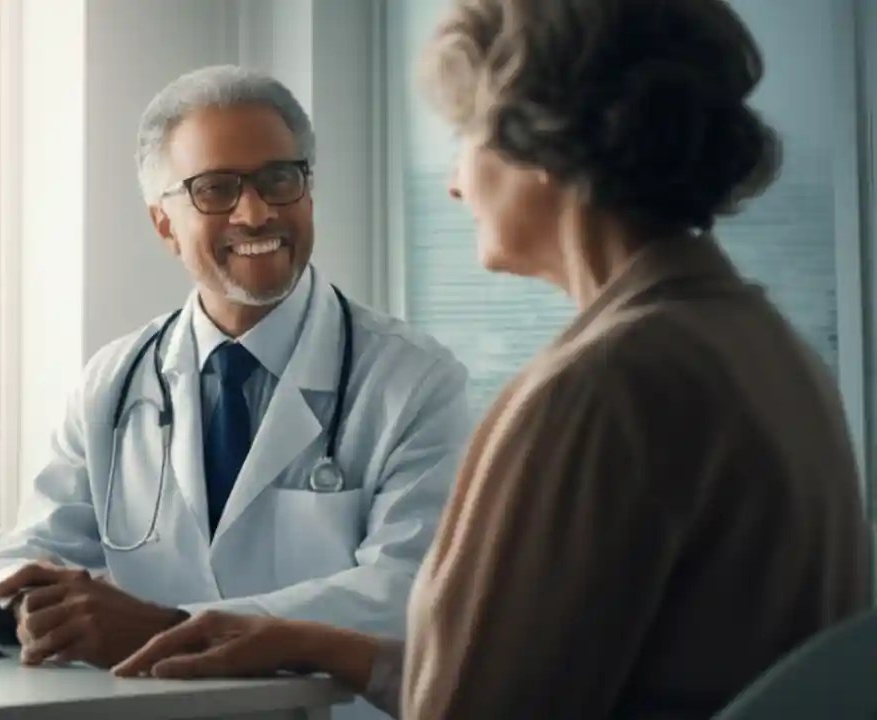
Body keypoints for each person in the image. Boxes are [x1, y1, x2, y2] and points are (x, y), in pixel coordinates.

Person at [114, 1, 873, 718]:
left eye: (465, 134)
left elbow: (474, 711)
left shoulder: (603, 389)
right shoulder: (765, 348)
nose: (454, 182)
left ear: (545, 143)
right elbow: (556, 677)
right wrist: (316, 643)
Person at [0, 65, 472, 689]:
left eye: (279, 179)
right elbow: (20, 558)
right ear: (165, 223)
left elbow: (407, 593)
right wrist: (27, 610)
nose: (255, 214)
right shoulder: (114, 382)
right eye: (215, 189)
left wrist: (163, 625)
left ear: (308, 191)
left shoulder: (412, 380)